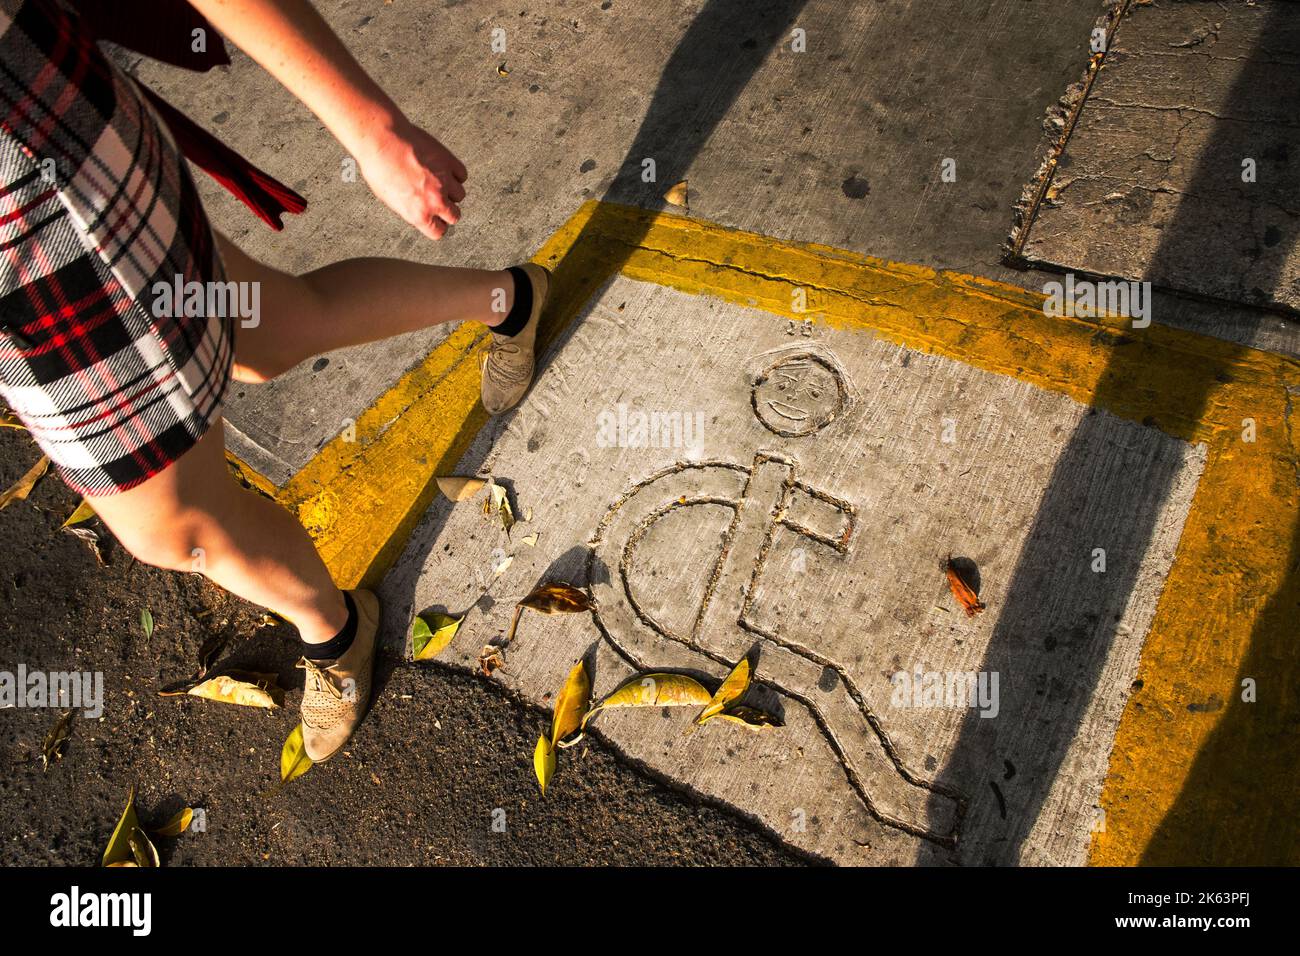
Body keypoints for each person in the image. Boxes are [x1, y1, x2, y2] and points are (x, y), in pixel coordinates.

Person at [0, 0, 548, 760]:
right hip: (53, 171)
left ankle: (337, 633)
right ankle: (511, 299)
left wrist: (369, 126)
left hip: (41, 219)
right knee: (269, 328)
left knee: (177, 525)